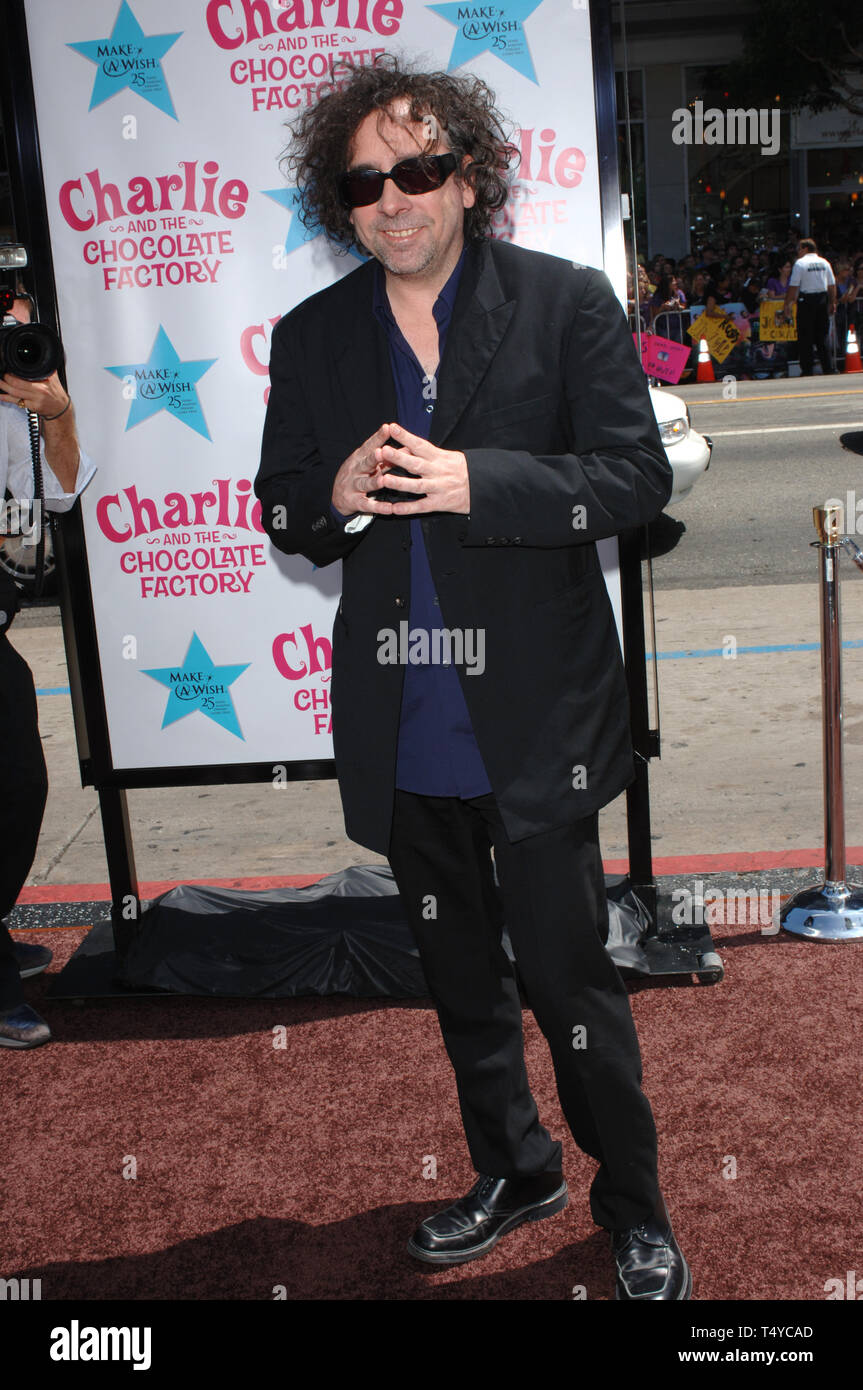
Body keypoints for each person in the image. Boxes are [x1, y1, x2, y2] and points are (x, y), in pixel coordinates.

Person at [255, 56, 690, 1301]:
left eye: (419, 169)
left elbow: (635, 479)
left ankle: (634, 1200)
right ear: (339, 201)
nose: (392, 198)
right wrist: (325, 499)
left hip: (531, 719)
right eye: (363, 182)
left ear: (470, 176)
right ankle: (517, 1166)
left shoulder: (563, 304)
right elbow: (282, 502)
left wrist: (478, 480)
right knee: (457, 978)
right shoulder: (312, 336)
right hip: (402, 718)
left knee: (569, 982)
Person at [0, 285, 94, 1047]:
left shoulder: (15, 412)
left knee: (23, 786)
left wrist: (55, 414)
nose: (19, 347)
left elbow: (59, 495)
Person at [782, 237, 836, 375]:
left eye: (799, 249)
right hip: (822, 300)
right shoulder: (825, 263)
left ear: (805, 249)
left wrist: (787, 304)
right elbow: (831, 285)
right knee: (822, 336)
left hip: (806, 301)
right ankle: (828, 367)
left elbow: (793, 286)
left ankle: (807, 369)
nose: (798, 252)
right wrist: (832, 302)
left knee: (805, 337)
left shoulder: (800, 264)